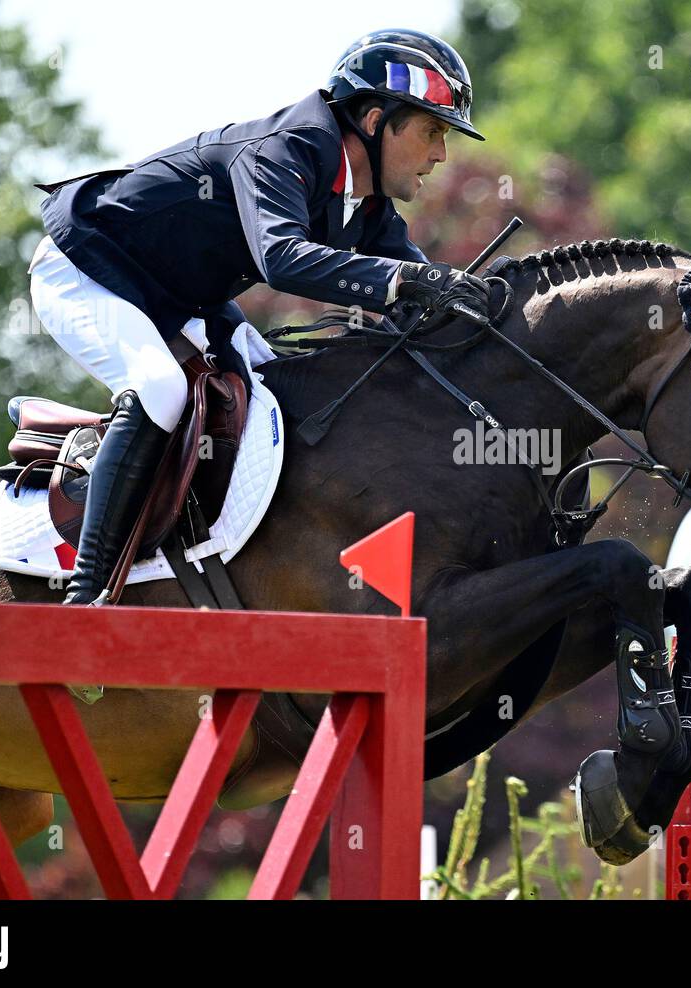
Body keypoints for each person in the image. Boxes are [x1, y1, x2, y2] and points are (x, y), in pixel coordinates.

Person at [27, 28, 491, 605]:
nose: (441, 154)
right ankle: (88, 593)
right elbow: (283, 260)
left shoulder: (366, 205)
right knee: (162, 388)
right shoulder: (286, 148)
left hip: (176, 297)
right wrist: (408, 282)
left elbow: (416, 283)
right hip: (85, 266)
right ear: (374, 121)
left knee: (275, 392)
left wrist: (475, 306)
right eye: (431, 130)